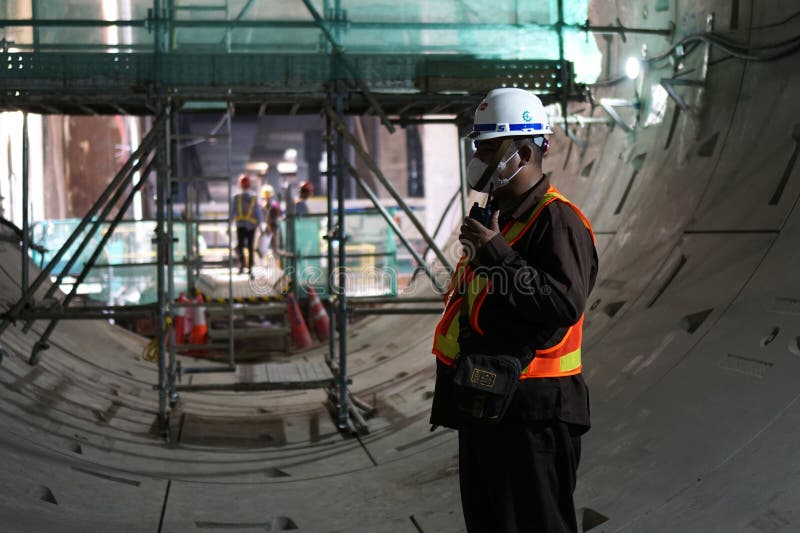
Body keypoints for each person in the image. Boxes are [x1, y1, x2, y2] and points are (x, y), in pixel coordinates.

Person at [430, 87, 599, 533]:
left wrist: (498, 254)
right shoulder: (500, 218)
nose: (479, 158)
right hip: (491, 403)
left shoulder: (557, 220)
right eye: (478, 148)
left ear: (523, 152)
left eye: (488, 148)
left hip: (536, 416)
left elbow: (563, 303)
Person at [231, 173, 262, 276]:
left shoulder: (241, 197)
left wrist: (229, 224)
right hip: (247, 226)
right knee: (246, 247)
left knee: (244, 247)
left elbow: (233, 212)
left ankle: (245, 267)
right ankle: (246, 267)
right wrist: (261, 225)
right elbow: (258, 213)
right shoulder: (241, 197)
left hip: (245, 226)